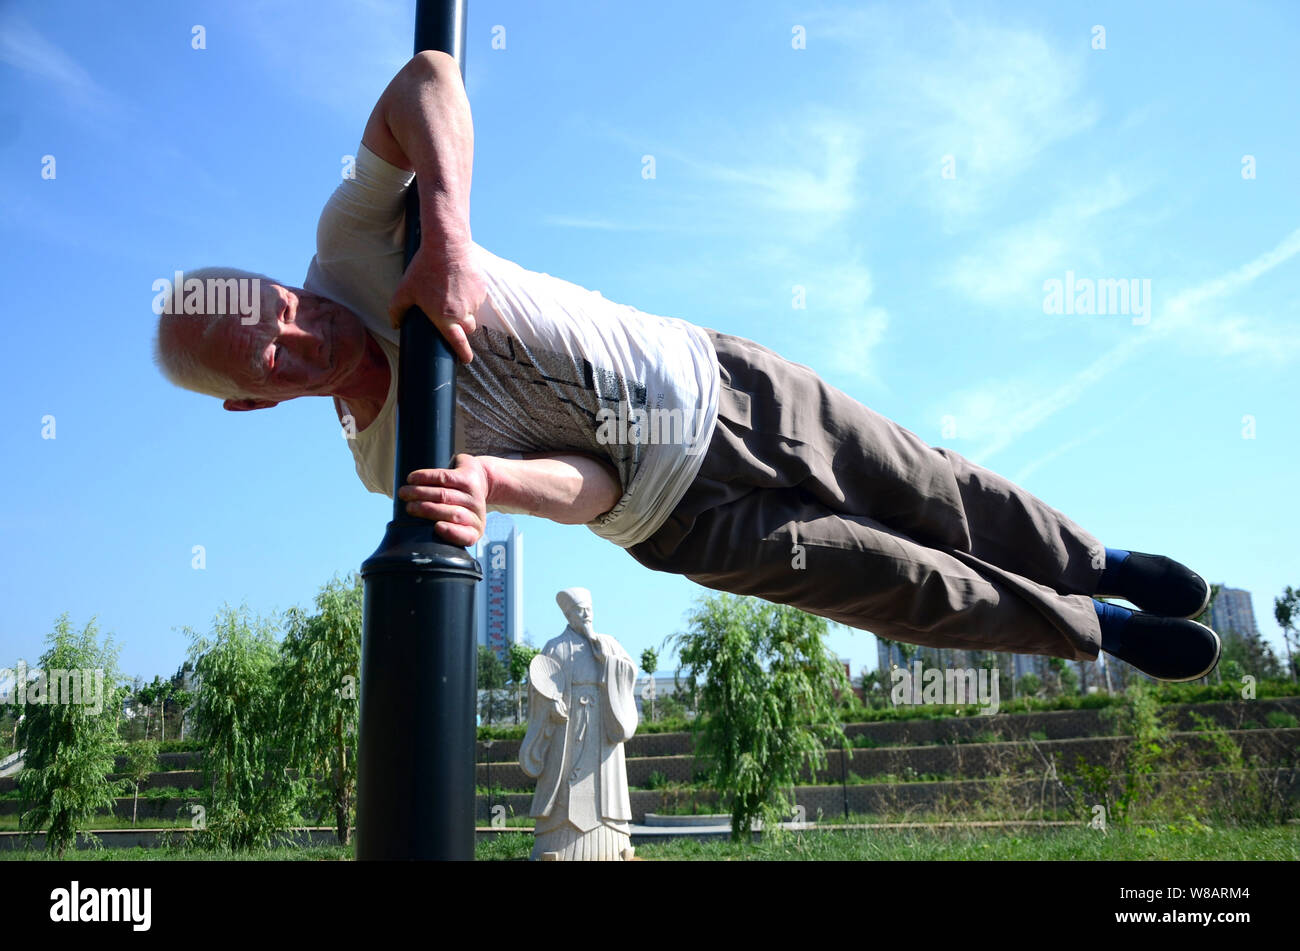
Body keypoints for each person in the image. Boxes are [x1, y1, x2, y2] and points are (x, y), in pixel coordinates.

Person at [152, 52, 1220, 683]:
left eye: (281, 309)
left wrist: (447, 237)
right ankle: (1101, 631)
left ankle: (1101, 562)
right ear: (253, 403)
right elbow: (595, 488)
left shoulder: (349, 242)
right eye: (274, 359)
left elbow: (427, 78)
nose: (304, 335)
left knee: (929, 488)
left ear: (280, 283)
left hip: (714, 384)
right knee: (903, 587)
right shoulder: (387, 461)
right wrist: (493, 483)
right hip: (679, 522)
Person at [519, 588, 638, 861]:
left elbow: (629, 672)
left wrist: (607, 660)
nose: (585, 614)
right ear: (568, 615)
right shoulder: (554, 647)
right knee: (562, 783)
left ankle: (611, 845)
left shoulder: (608, 643)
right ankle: (557, 844)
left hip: (603, 720)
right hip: (566, 726)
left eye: (588, 609)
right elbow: (539, 686)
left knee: (604, 787)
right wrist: (551, 706)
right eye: (579, 610)